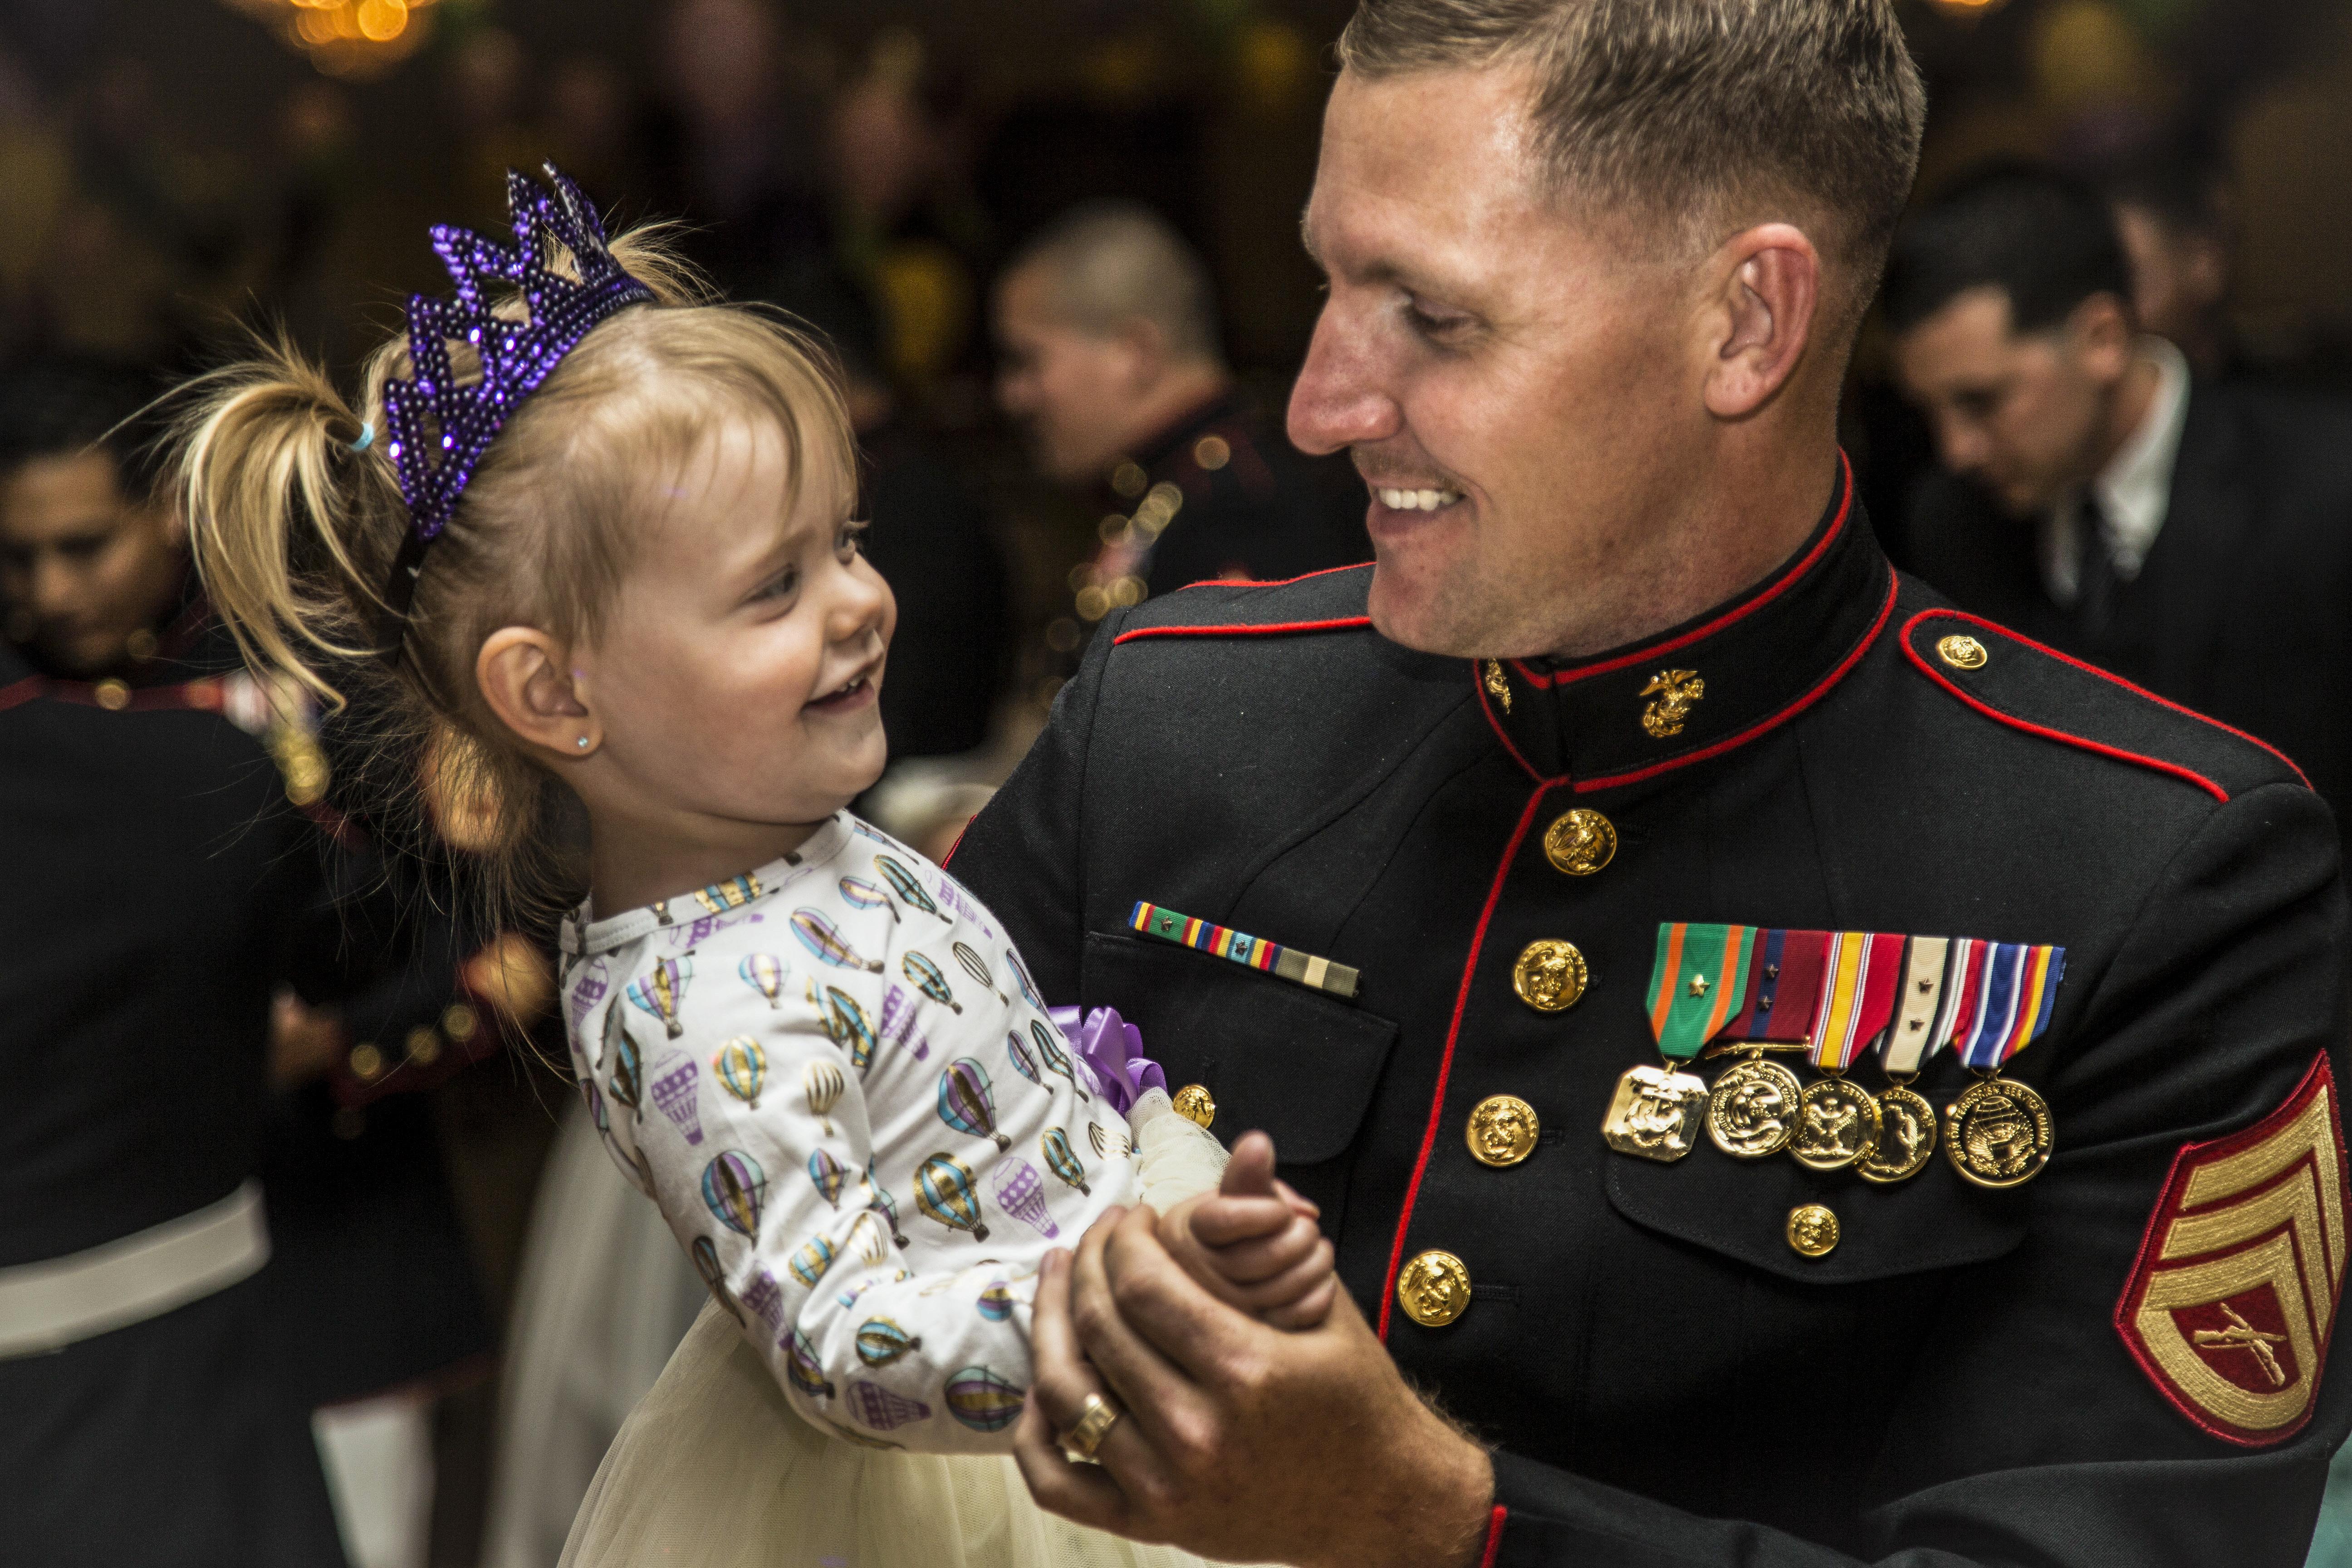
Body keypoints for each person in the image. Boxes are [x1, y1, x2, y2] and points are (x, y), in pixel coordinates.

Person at [946, 3, 2352, 1564]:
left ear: (1746, 325)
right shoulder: (1174, 715)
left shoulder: (2153, 879)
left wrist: (1437, 1521)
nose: (1319, 403)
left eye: (1432, 312)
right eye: (1332, 283)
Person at [178, 166, 1337, 1568]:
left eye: (842, 542)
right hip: (1010, 1484)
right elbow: (843, 1340)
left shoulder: (808, 849)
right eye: (774, 586)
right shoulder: (702, 1009)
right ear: (556, 698)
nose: (864, 600)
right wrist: (1111, 1324)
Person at [0, 356, 480, 1568]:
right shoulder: (42, 725)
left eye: (84, 547)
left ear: (168, 506)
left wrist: (337, 1045)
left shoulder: (315, 680)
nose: (50, 591)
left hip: (326, 1229)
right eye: (19, 559)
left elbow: (476, 938)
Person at [1887, 165, 2352, 818]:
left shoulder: (2323, 494)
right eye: (1930, 411)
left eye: (1982, 401)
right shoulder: (1954, 522)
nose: (1956, 450)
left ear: (2102, 338)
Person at [993, 201, 1365, 615]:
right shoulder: (1170, 487)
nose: (1013, 395)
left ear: (1132, 353)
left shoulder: (1236, 512)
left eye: (1029, 360)